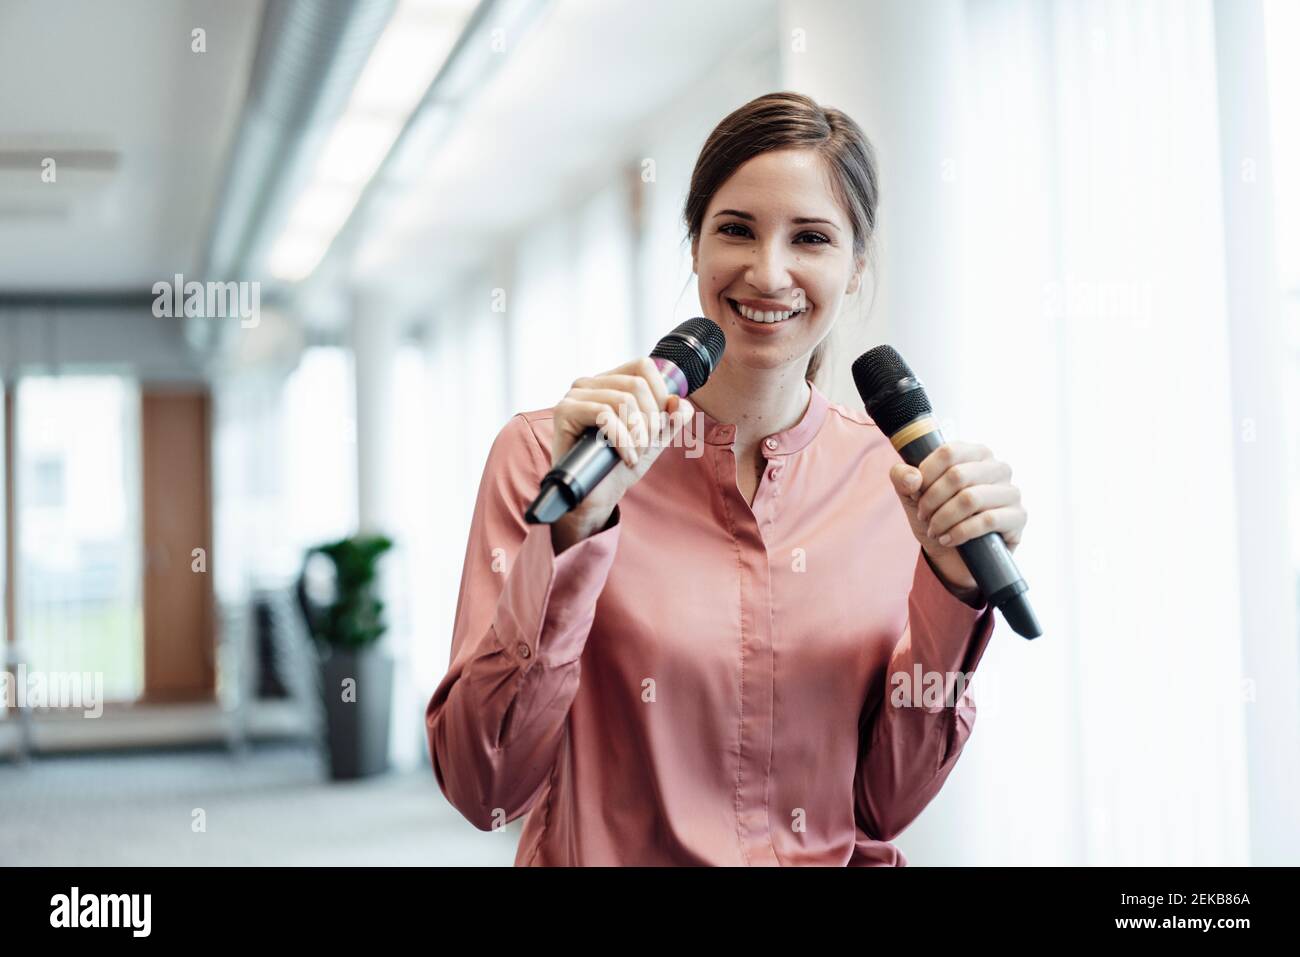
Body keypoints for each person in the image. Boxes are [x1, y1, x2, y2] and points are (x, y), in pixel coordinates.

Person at [425, 91, 1027, 866]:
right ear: (696, 247)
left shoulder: (893, 484)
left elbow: (882, 804)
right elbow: (486, 786)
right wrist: (571, 537)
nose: (768, 271)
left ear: (855, 268)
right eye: (736, 229)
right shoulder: (550, 455)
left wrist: (952, 587)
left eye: (810, 237)